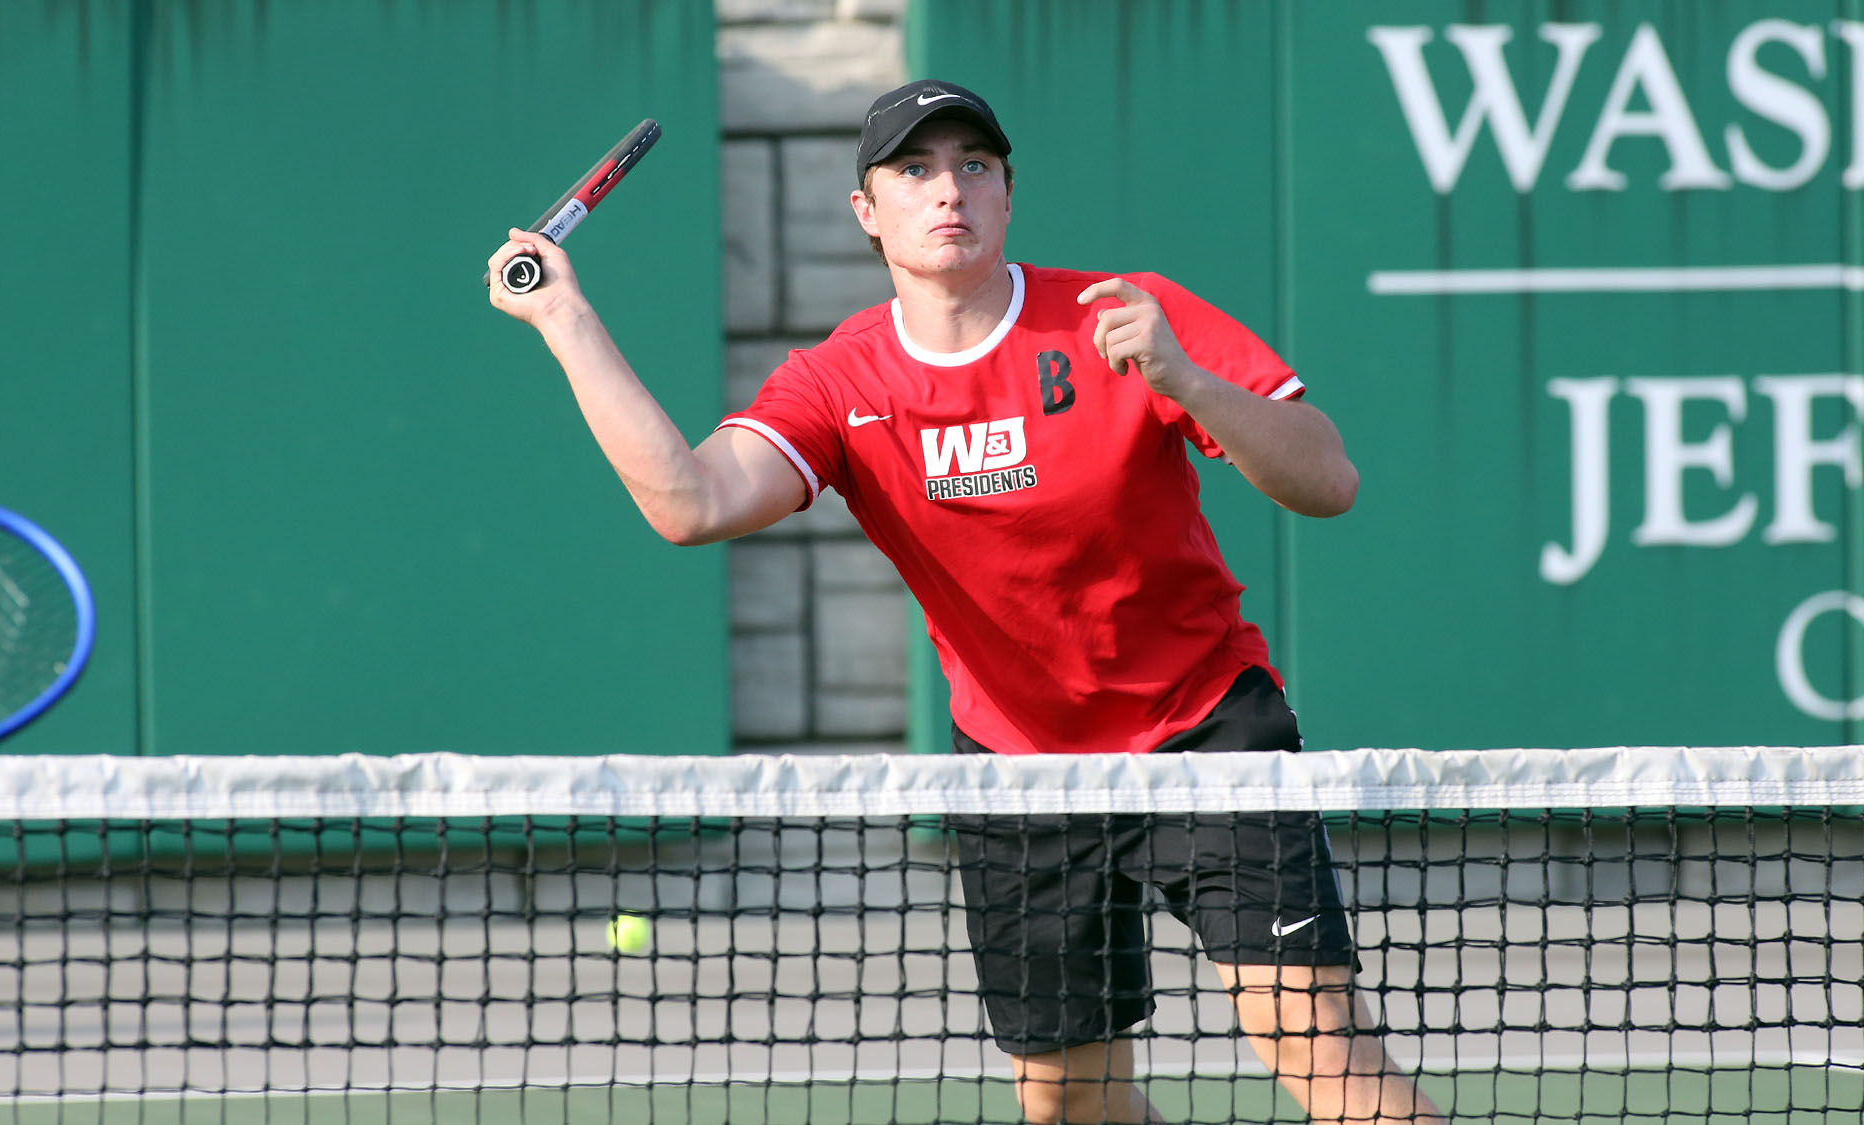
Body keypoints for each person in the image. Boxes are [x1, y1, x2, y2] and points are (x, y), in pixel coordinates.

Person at [488, 79, 1444, 1125]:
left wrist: (1190, 383)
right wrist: (563, 317)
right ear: (867, 211)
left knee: (1331, 1069)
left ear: (1006, 193)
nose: (947, 191)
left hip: (1204, 737)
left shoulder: (1123, 318)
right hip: (1022, 772)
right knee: (1070, 1108)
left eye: (971, 167)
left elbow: (1329, 481)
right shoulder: (838, 381)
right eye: (913, 171)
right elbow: (689, 502)